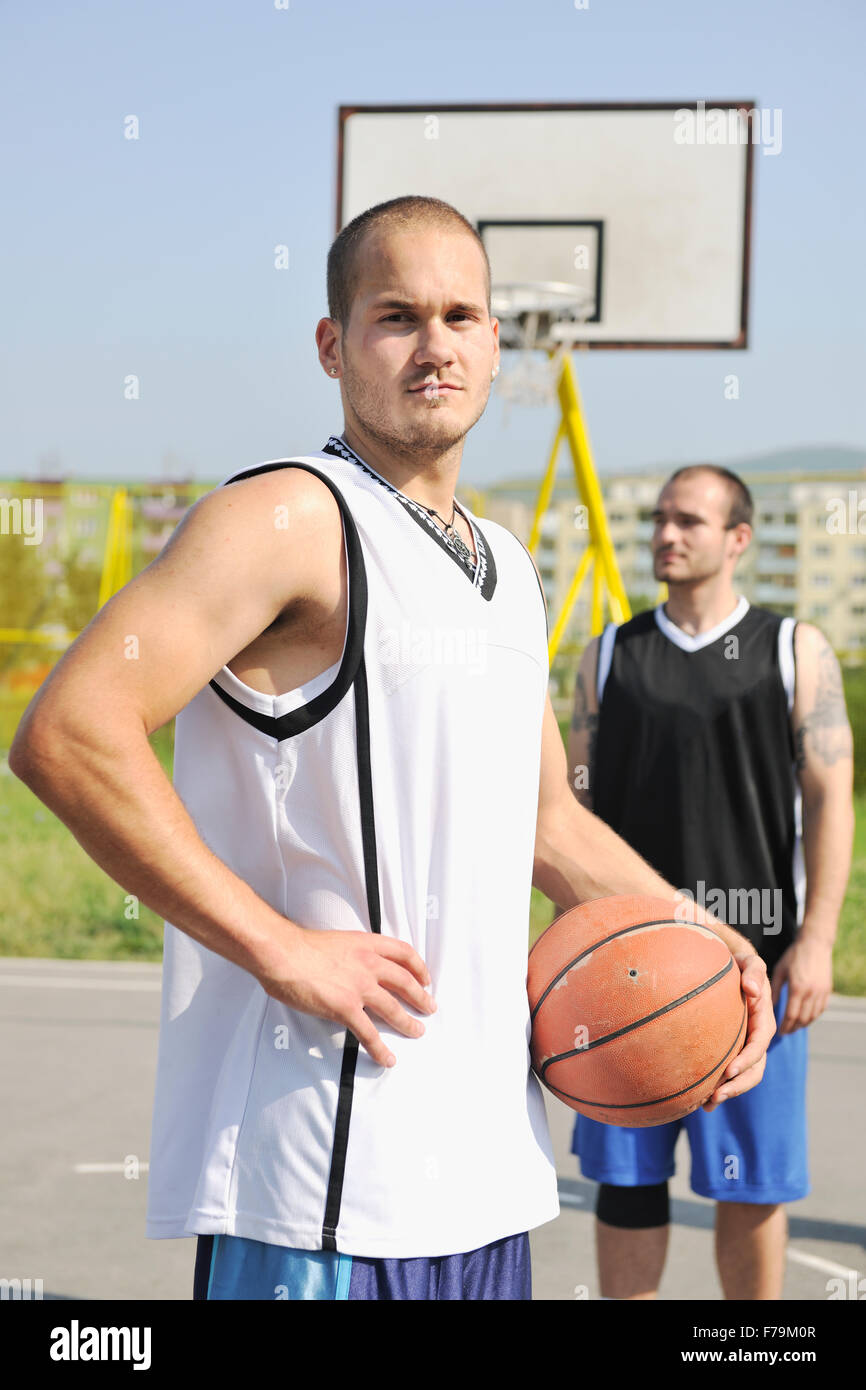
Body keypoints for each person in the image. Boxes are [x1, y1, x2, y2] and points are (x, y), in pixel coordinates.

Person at [9, 198, 775, 1302]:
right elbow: (71, 732)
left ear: (495, 345)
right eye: (396, 316)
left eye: (460, 316)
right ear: (332, 343)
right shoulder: (286, 515)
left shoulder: (507, 568)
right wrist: (279, 945)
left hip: (486, 1174)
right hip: (319, 1168)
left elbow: (545, 822)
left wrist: (705, 941)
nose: (435, 346)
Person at [562, 464, 854, 1300]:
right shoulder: (611, 655)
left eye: (688, 520)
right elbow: (572, 818)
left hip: (752, 972)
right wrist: (559, 946)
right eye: (658, 519)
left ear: (737, 539)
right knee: (626, 1184)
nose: (665, 534)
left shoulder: (796, 651)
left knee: (750, 1188)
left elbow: (833, 801)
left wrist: (819, 939)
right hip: (627, 972)